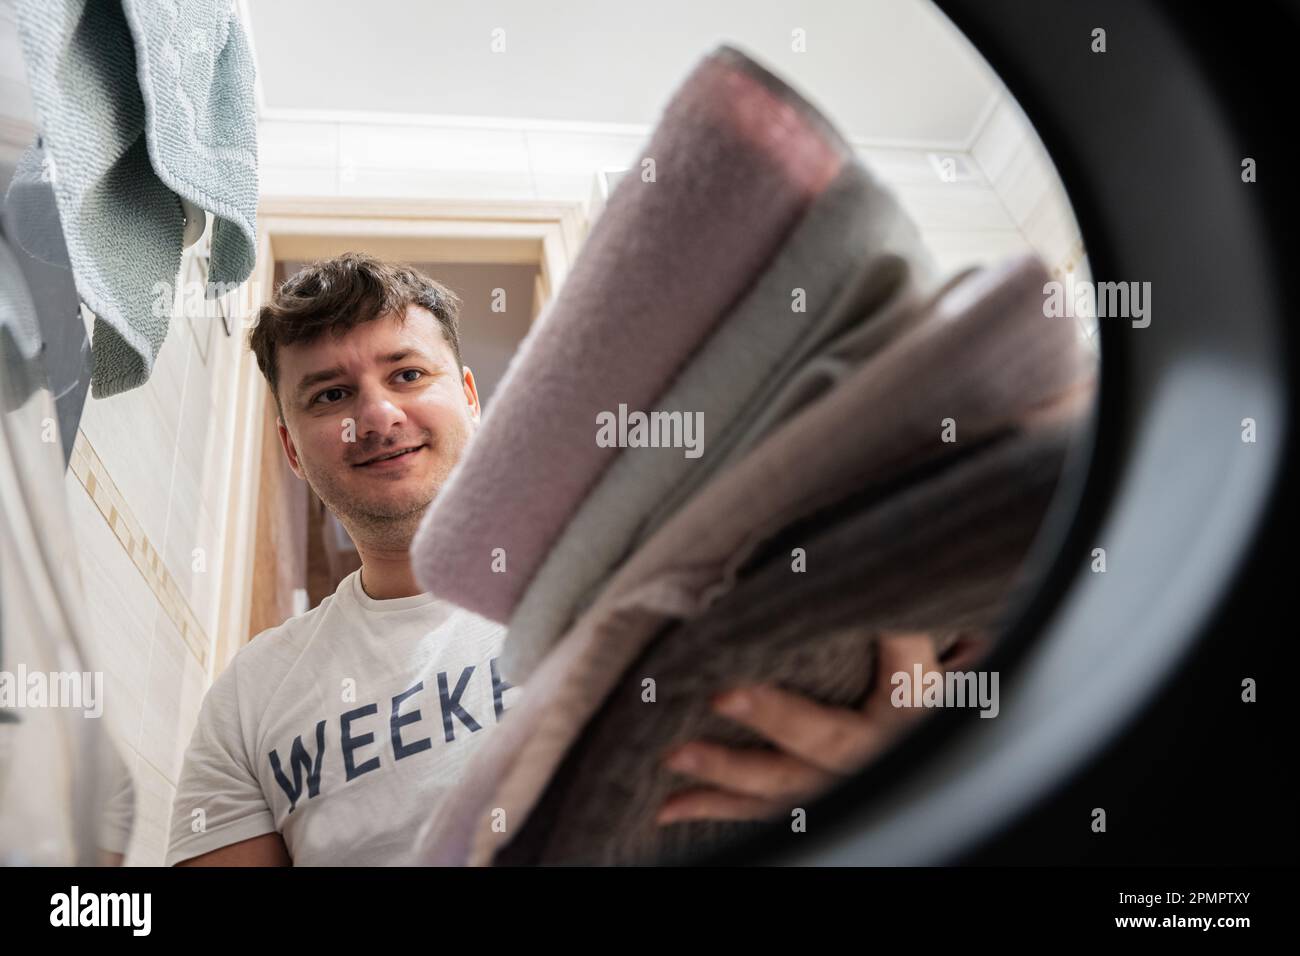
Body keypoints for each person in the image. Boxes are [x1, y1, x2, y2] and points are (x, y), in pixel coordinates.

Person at [166, 252, 983, 866]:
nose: (377, 414)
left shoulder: (640, 561)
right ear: (292, 449)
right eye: (330, 395)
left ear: (471, 398)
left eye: (407, 373)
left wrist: (897, 771)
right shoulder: (246, 699)